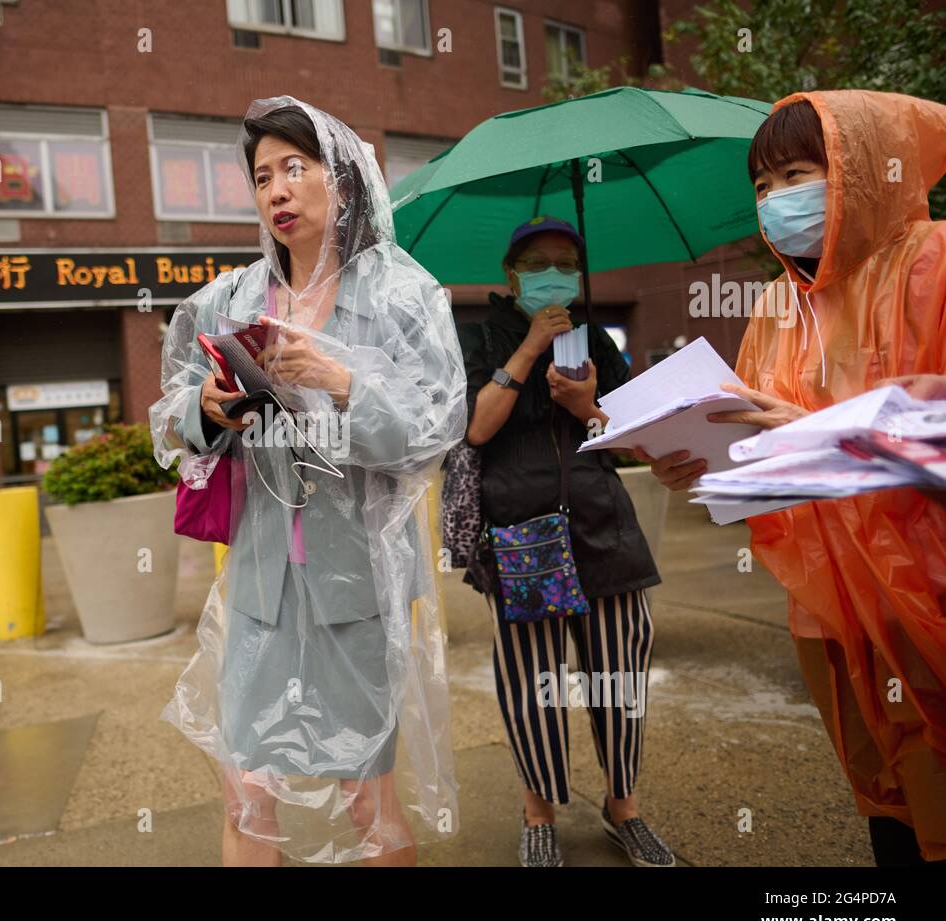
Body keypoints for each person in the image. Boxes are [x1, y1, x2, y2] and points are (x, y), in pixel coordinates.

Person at [149, 96, 467, 866]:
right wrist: (206, 407)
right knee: (249, 799)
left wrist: (344, 382)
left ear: (344, 178)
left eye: (296, 167)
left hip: (359, 588)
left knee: (369, 802)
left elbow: (438, 427)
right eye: (262, 177)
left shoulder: (402, 295)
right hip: (261, 588)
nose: (277, 191)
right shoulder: (228, 301)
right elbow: (167, 421)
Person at [636, 91, 946, 865]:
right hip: (834, 611)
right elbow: (758, 438)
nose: (776, 202)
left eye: (796, 174)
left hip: (928, 599)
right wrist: (700, 465)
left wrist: (821, 431)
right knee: (886, 800)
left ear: (860, 172)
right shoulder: (779, 307)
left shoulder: (931, 265)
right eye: (762, 187)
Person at [460, 215, 670, 866]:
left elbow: (635, 435)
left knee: (620, 672)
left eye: (566, 263)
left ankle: (622, 806)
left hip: (601, 524)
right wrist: (525, 352)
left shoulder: (596, 343)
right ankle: (538, 811)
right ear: (512, 274)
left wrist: (586, 406)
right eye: (540, 262)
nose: (555, 274)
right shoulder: (483, 335)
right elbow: (474, 430)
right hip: (522, 535)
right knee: (532, 680)